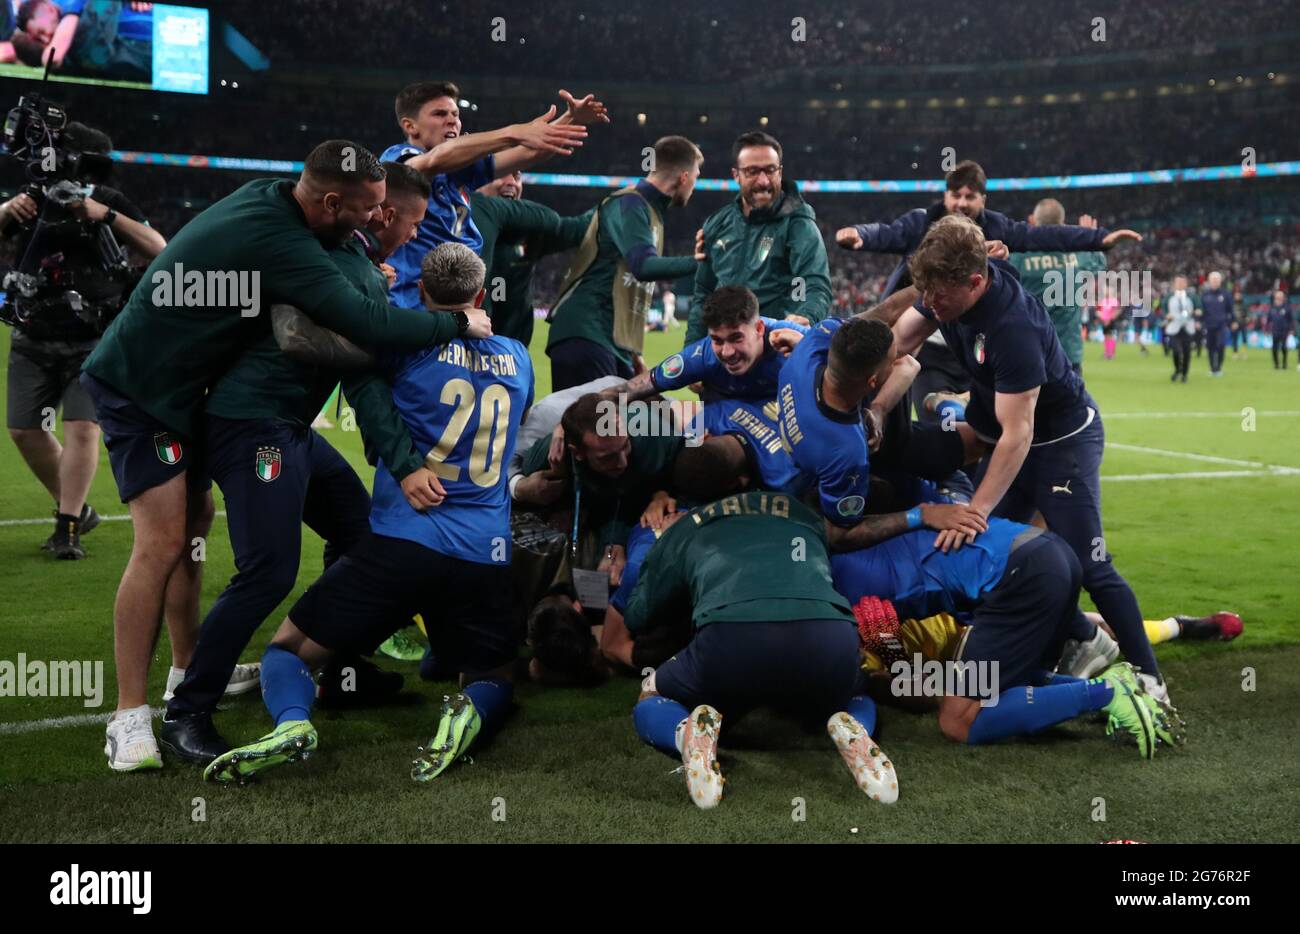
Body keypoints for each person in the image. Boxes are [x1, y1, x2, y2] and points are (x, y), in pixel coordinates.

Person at [80, 140, 491, 772]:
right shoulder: (304, 250)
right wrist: (459, 325)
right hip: (163, 394)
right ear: (339, 205)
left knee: (350, 534)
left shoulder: (303, 222)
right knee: (193, 552)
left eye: (393, 210)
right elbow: (371, 346)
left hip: (232, 407)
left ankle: (317, 669)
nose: (393, 223)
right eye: (384, 212)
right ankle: (156, 714)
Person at [203, 243, 533, 785]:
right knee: (494, 674)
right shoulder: (518, 358)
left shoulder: (400, 348)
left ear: (421, 291)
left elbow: (330, 343)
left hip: (402, 543)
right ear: (480, 296)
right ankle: (470, 712)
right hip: (484, 553)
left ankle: (292, 724)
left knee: (287, 651)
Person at [158, 162, 438, 764]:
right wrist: (406, 460)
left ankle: (333, 665)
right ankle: (186, 709)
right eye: (414, 223)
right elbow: (362, 372)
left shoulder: (342, 259)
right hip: (256, 428)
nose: (416, 235)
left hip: (285, 428)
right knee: (267, 570)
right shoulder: (348, 267)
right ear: (383, 215)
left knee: (362, 534)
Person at [891, 214, 1170, 705]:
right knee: (1000, 561)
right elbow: (901, 339)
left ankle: (1150, 681)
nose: (930, 305)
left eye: (938, 297)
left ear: (975, 283)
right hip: (1008, 439)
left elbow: (1019, 436)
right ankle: (1085, 638)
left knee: (1089, 563)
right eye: (926, 294)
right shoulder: (947, 287)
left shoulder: (1011, 326)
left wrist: (974, 509)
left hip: (1058, 443)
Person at [624, 491, 898, 808]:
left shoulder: (687, 527)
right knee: (855, 693)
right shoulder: (802, 514)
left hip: (731, 640)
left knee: (650, 693)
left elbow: (637, 615)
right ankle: (854, 726)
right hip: (830, 635)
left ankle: (686, 733)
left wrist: (655, 548)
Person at [830, 519, 1184, 757]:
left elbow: (922, 694)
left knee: (957, 720)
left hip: (1020, 576)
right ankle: (1120, 686)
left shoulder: (844, 594)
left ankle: (1108, 692)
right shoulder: (865, 543)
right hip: (1045, 554)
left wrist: (884, 673)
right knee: (1007, 683)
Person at [1, 121, 164, 559]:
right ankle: (78, 508)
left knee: (81, 429)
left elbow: (159, 246)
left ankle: (67, 525)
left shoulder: (109, 200)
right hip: (32, 332)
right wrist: (4, 212)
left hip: (93, 338)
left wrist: (104, 215)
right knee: (22, 430)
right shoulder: (30, 199)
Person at [380, 81, 602, 308]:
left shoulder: (457, 174)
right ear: (410, 126)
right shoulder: (399, 160)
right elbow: (434, 160)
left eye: (455, 114)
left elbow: (529, 152)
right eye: (439, 114)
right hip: (412, 305)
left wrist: (570, 118)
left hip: (454, 304)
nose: (452, 120)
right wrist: (514, 132)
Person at [546, 135, 702, 390]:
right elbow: (643, 267)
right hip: (586, 334)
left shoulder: (648, 210)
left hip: (609, 342)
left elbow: (624, 280)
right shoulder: (630, 203)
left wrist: (631, 352)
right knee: (594, 428)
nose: (694, 186)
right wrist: (702, 262)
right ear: (684, 177)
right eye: (695, 178)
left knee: (618, 424)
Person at [687, 131, 831, 343]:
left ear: (780, 172)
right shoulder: (717, 223)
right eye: (753, 171)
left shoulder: (798, 225)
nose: (763, 181)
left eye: (770, 170)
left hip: (772, 348)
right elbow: (703, 293)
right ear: (736, 175)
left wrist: (805, 316)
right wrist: (691, 349)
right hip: (723, 352)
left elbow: (816, 286)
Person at [469, 170, 592, 344]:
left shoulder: (529, 230)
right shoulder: (458, 227)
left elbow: (574, 229)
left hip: (513, 359)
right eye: (502, 173)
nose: (512, 182)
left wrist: (616, 203)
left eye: (517, 177)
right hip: (468, 353)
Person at [1007, 198, 1108, 377]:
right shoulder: (1078, 254)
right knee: (1070, 404)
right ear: (1062, 223)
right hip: (1067, 353)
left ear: (1032, 221)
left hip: (1028, 352)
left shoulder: (1017, 256)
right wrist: (1089, 238)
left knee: (1028, 405)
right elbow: (1099, 261)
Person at [1200, 271, 1233, 377]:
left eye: (1217, 280)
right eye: (1213, 280)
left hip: (1221, 325)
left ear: (1220, 281)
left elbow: (1230, 310)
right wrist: (1199, 321)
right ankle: (1212, 368)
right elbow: (1201, 310)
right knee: (1210, 347)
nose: (1215, 282)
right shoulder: (1205, 294)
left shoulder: (1226, 294)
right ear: (1209, 281)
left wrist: (1231, 321)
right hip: (1208, 325)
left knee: (1220, 346)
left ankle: (1218, 368)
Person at [1164, 275, 1196, 383]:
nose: (1180, 284)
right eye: (1178, 282)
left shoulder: (1192, 296)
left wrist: (1197, 314)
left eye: (1182, 282)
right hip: (1174, 328)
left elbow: (1199, 307)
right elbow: (1163, 309)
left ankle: (1184, 374)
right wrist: (1166, 315)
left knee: (1187, 352)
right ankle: (1178, 370)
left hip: (1187, 327)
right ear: (1174, 284)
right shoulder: (1169, 296)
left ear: (1186, 284)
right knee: (1176, 351)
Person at [1267, 290, 1294, 369]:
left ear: (1283, 298)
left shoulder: (1287, 307)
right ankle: (1276, 364)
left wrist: (1291, 329)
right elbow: (1269, 320)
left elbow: (1291, 319)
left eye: (1280, 297)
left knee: (1284, 347)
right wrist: (1267, 329)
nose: (1278, 298)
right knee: (1274, 348)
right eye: (1277, 297)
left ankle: (1284, 364)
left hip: (1284, 330)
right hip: (1275, 330)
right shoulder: (1272, 308)